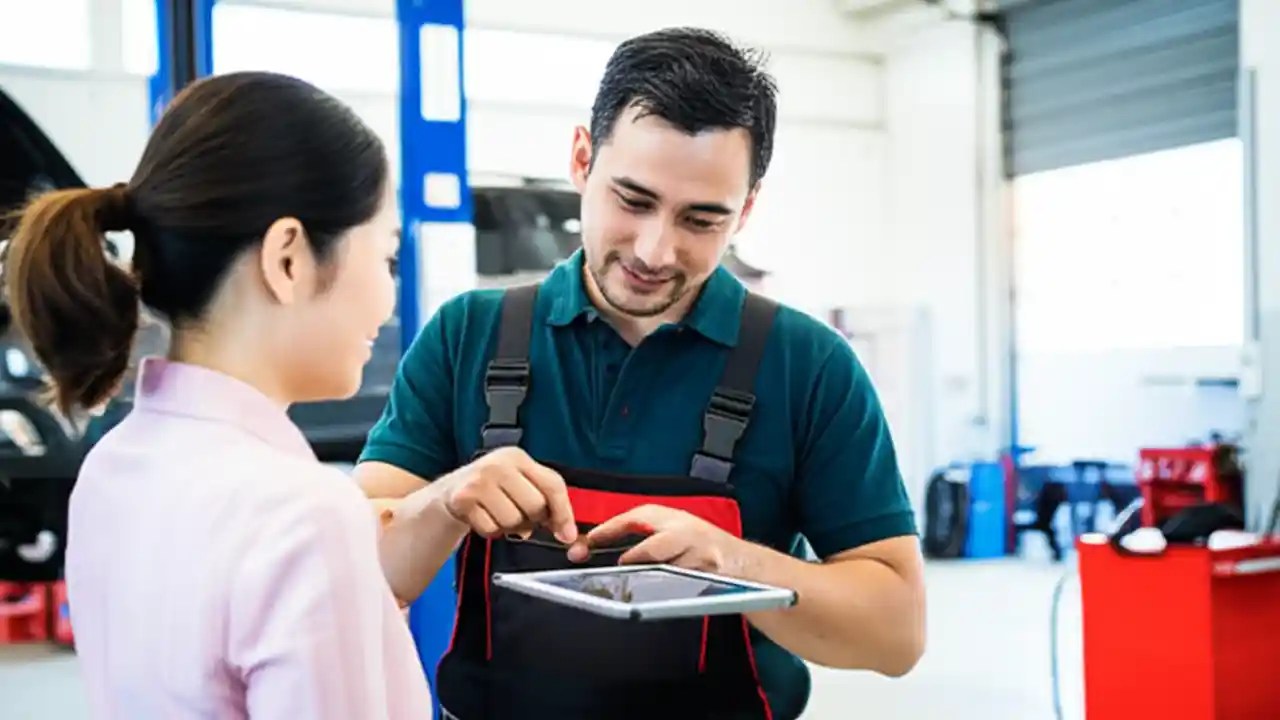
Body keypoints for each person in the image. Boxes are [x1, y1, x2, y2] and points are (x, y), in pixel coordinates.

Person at [358, 27, 926, 720]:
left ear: (746, 209)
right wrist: (444, 502)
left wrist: (736, 564)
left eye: (701, 219)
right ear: (580, 159)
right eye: (633, 200)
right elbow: (359, 579)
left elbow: (897, 634)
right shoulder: (465, 337)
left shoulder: (807, 366)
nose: (656, 249)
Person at [3, 72, 432, 719]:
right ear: (288, 257)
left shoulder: (110, 469)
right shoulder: (306, 515)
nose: (387, 295)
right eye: (386, 257)